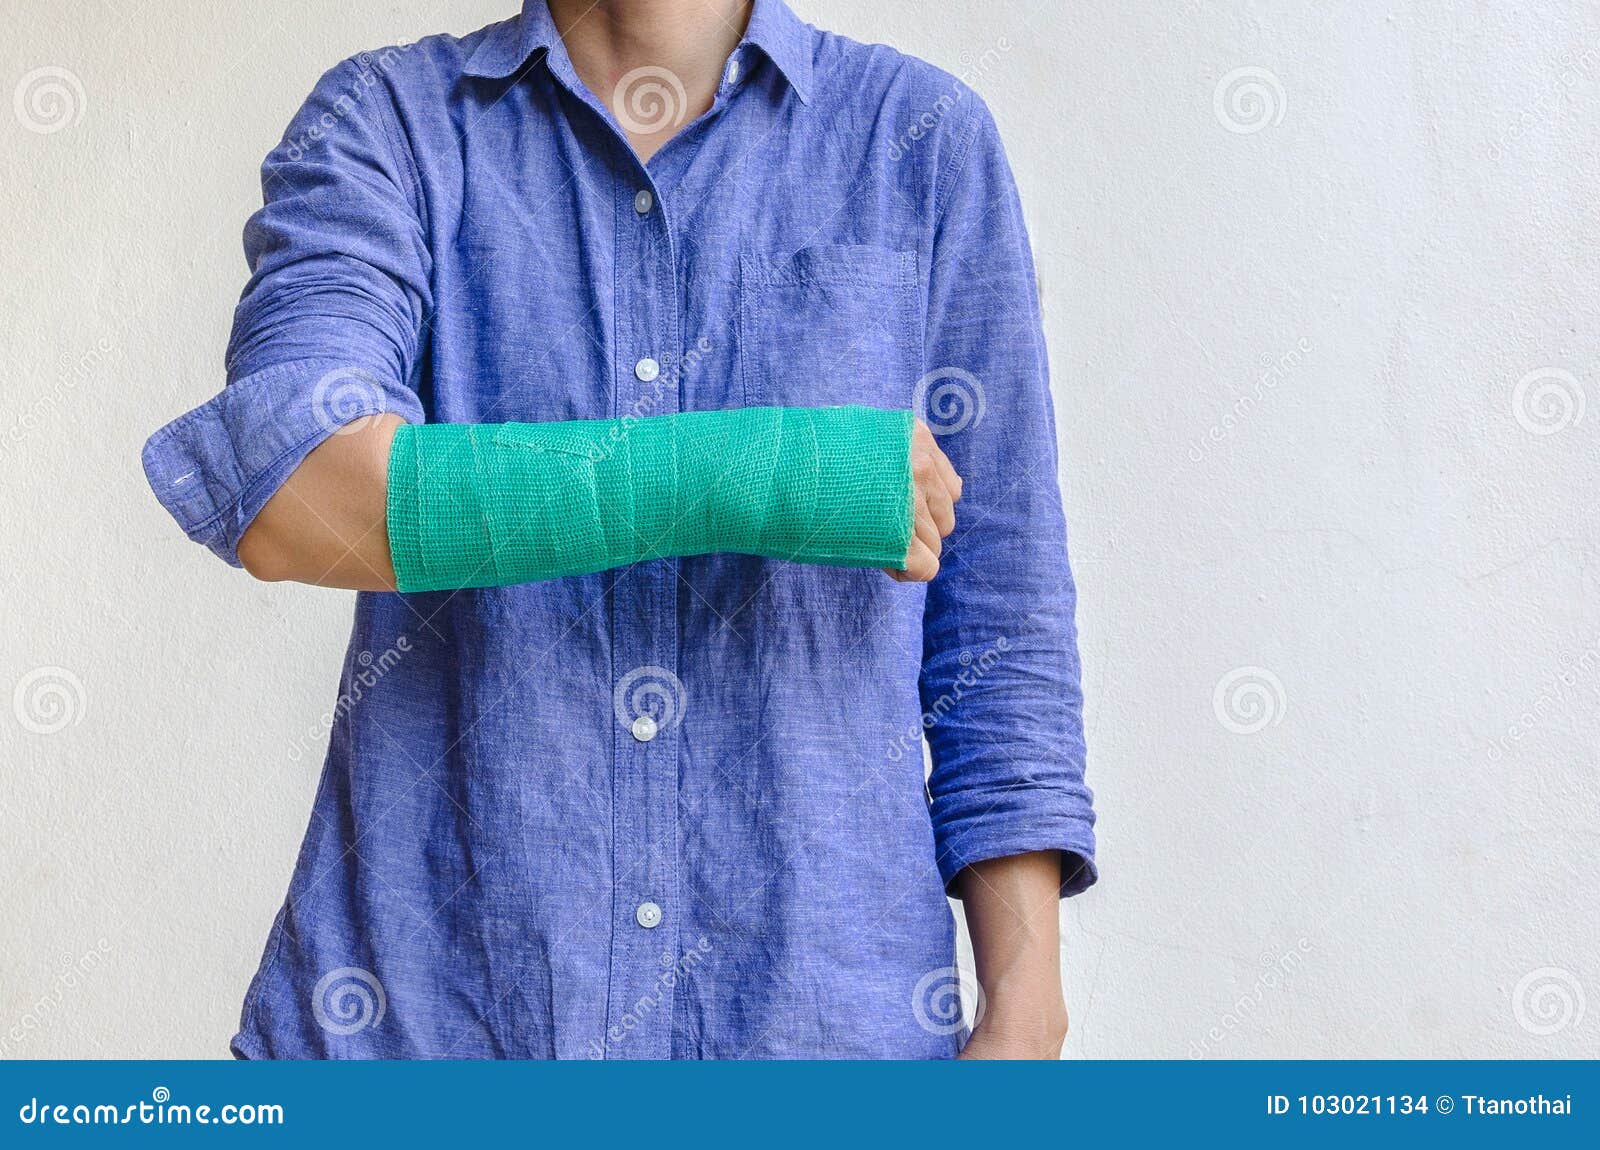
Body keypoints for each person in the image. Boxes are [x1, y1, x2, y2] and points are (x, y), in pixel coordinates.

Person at [141, 0, 1095, 1059]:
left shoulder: (921, 141)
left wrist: (1025, 1011)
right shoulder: (390, 124)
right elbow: (296, 497)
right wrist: (767, 470)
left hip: (817, 1039)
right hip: (432, 1028)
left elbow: (998, 627)